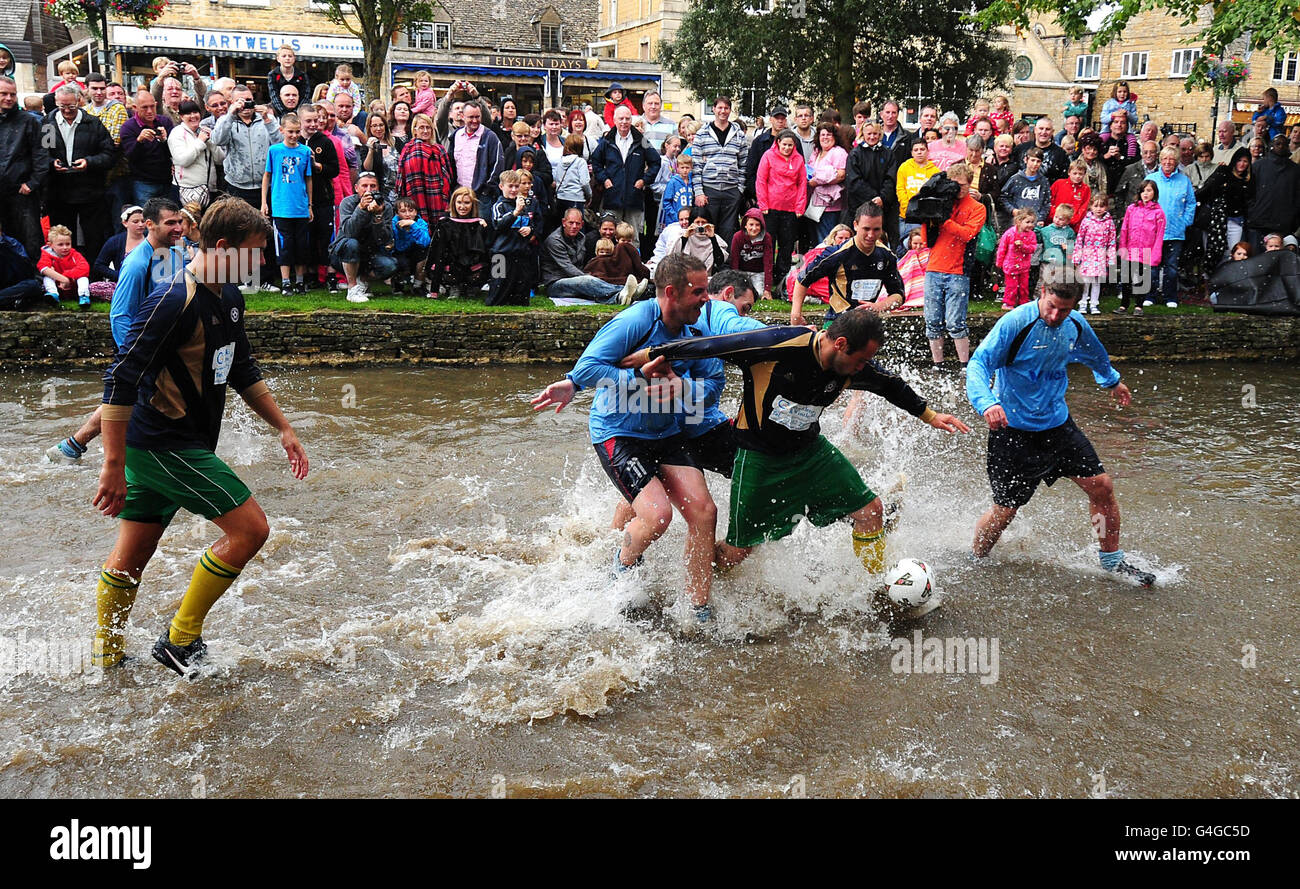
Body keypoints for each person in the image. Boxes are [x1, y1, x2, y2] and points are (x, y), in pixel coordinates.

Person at [89, 197, 308, 674]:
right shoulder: (172, 299)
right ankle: (179, 640)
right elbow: (120, 379)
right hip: (163, 444)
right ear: (225, 247)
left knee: (132, 554)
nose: (262, 262)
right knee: (251, 529)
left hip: (172, 446)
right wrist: (111, 465)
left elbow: (242, 369)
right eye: (255, 252)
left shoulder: (230, 296)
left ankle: (105, 660)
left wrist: (284, 428)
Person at [624, 307, 968, 598]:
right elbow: (712, 345)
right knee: (735, 553)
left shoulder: (850, 368)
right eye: (862, 359)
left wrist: (930, 415)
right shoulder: (777, 346)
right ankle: (683, 575)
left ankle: (877, 586)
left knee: (871, 511)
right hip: (758, 460)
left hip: (811, 453)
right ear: (841, 344)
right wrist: (655, 354)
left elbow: (890, 384)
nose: (865, 367)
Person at [531, 253, 723, 621]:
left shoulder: (700, 330)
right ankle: (621, 567)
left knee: (704, 512)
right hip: (618, 433)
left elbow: (714, 386)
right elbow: (587, 367)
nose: (706, 299)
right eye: (699, 291)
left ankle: (697, 605)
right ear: (671, 292)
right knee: (657, 517)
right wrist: (641, 382)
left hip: (667, 432)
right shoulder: (636, 320)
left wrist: (681, 387)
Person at [966, 271, 1154, 587]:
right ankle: (975, 560)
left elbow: (1095, 354)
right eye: (1052, 306)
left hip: (1057, 426)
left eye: (1064, 310)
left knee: (1101, 486)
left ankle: (1111, 560)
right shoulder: (1016, 323)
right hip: (1012, 431)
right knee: (1005, 511)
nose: (1056, 316)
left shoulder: (1075, 324)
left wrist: (1112, 382)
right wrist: (987, 403)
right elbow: (978, 363)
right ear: (1042, 292)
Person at [46, 198, 185, 462]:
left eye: (179, 221)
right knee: (130, 400)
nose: (178, 227)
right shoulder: (136, 264)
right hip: (140, 347)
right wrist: (133, 356)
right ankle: (86, 450)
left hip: (165, 343)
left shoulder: (176, 254)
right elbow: (120, 314)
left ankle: (75, 447)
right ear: (149, 225)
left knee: (134, 401)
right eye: (170, 223)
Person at [791, 202, 906, 325]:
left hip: (867, 323)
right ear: (856, 225)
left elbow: (898, 295)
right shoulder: (836, 254)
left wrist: (879, 306)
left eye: (876, 229)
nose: (871, 235)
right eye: (866, 229)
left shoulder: (887, 256)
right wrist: (796, 314)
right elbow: (802, 280)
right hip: (837, 322)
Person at [44, 86, 117, 267]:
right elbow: (43, 153)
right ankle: (65, 272)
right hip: (59, 190)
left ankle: (93, 273)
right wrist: (51, 163)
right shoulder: (49, 124)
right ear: (56, 103)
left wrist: (89, 162)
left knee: (93, 235)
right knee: (62, 235)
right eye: (63, 107)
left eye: (71, 106)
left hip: (89, 189)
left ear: (80, 101)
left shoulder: (92, 123)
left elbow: (109, 155)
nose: (67, 111)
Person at [923, 162, 985, 369]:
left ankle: (965, 366)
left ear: (970, 185)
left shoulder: (977, 208)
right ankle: (937, 365)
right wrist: (929, 218)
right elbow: (926, 240)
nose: (958, 190)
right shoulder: (941, 203)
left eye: (962, 186)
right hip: (934, 268)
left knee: (955, 322)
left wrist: (944, 220)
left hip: (959, 270)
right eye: (954, 185)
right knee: (932, 321)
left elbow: (967, 234)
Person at [261, 112, 313, 294]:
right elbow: (267, 176)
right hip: (281, 206)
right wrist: (264, 203)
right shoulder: (274, 151)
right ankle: (285, 281)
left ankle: (299, 281)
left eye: (297, 131)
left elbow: (308, 179)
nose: (294, 135)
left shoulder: (305, 151)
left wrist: (310, 205)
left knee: (302, 246)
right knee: (284, 246)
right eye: (290, 131)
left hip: (300, 206)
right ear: (282, 130)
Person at [592, 104, 661, 236]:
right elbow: (596, 162)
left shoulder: (641, 140)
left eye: (627, 119)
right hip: (612, 196)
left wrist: (644, 180)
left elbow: (656, 161)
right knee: (610, 235)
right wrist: (604, 179)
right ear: (614, 119)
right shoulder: (607, 141)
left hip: (634, 197)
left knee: (633, 237)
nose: (624, 122)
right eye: (621, 118)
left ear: (631, 120)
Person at [0, 76, 47, 263]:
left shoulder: (32, 121)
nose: (8, 98)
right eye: (3, 94)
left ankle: (35, 280)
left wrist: (33, 183)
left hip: (22, 191)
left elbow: (43, 154)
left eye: (12, 94)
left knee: (31, 239)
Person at [689, 96, 748, 244]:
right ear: (714, 109)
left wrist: (739, 189)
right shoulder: (702, 133)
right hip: (709, 190)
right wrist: (699, 192)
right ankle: (709, 262)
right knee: (709, 229)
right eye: (720, 108)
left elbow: (743, 164)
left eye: (726, 108)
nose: (723, 111)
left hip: (731, 190)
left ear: (730, 111)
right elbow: (696, 166)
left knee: (728, 230)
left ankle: (725, 264)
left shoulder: (739, 134)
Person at [1143, 146, 1196, 307]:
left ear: (1177, 162)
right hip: (1153, 232)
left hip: (1175, 232)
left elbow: (1191, 203)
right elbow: (1143, 201)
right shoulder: (1152, 179)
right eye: (1165, 158)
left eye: (1172, 159)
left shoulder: (1184, 180)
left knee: (1171, 267)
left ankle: (1170, 297)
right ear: (1160, 160)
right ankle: (1149, 296)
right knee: (1152, 266)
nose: (1168, 162)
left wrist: (1185, 221)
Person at [330, 172, 395, 303]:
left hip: (370, 253)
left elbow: (384, 240)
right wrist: (361, 209)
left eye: (373, 186)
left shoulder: (385, 206)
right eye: (364, 186)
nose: (369, 190)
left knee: (391, 266)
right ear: (356, 188)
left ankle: (362, 280)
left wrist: (378, 216)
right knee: (352, 243)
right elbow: (349, 232)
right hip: (343, 254)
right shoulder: (348, 203)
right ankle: (352, 289)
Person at [756, 129, 807, 287]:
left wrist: (800, 207)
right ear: (778, 143)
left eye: (790, 145)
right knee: (770, 244)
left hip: (790, 209)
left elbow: (802, 184)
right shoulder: (768, 156)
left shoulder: (798, 159)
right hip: (770, 208)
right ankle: (767, 280)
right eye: (784, 144)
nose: (787, 148)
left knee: (787, 245)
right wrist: (763, 203)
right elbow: (761, 180)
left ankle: (782, 281)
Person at [541, 206, 625, 304]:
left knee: (593, 287)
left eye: (577, 223)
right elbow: (568, 268)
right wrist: (588, 277)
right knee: (587, 282)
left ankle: (618, 297)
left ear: (582, 225)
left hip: (576, 280)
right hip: (556, 283)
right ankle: (623, 290)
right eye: (571, 223)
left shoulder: (582, 238)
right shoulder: (555, 241)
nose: (574, 226)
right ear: (564, 222)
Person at [486, 169, 539, 305]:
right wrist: (515, 212)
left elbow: (532, 223)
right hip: (501, 253)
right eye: (510, 186)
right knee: (497, 290)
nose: (514, 190)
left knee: (522, 292)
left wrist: (530, 229)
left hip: (521, 252)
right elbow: (498, 224)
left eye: (516, 186)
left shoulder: (524, 205)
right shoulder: (499, 206)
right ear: (501, 186)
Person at [426, 186, 489, 300]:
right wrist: (434, 291)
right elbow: (438, 253)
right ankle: (454, 287)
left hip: (473, 269)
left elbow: (484, 252)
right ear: (453, 203)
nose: (462, 207)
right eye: (459, 202)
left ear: (472, 204)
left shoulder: (480, 224)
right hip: (452, 269)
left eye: (467, 203)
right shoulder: (445, 224)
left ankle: (473, 287)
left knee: (497, 257)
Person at [1197, 147, 1254, 265]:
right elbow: (1207, 190)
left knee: (1231, 253)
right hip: (1216, 219)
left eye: (1245, 161)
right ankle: (1210, 278)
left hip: (1236, 220)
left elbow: (1249, 200)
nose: (1242, 164)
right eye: (1239, 160)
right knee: (1212, 251)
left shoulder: (1249, 179)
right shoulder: (1223, 171)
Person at [1245, 135, 1300, 255]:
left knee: (1279, 263)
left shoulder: (1295, 170)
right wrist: (1253, 211)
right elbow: (1248, 193)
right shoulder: (1258, 166)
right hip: (1258, 221)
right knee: (1255, 259)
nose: (1281, 147)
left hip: (1283, 225)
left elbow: (1297, 197)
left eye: (1284, 144)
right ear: (1271, 146)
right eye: (1277, 144)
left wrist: (1293, 218)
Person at [1116, 180, 1164, 315]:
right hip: (1130, 249)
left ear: (1154, 193)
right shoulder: (1132, 208)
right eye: (1143, 191)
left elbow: (1159, 235)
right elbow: (1125, 228)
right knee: (1126, 279)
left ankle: (1139, 305)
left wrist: (1155, 254)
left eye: (1149, 191)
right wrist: (1123, 247)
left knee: (1141, 279)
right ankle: (1124, 304)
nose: (1146, 194)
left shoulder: (1158, 213)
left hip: (1146, 251)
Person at [397, 113, 453, 227]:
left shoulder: (439, 149)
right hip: (416, 195)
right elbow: (403, 177)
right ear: (415, 130)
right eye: (422, 127)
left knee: (439, 228)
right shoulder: (408, 149)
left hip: (436, 196)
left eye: (428, 127)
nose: (426, 131)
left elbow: (448, 175)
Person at [168, 99, 222, 207]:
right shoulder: (177, 133)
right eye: (188, 113)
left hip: (209, 189)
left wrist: (211, 141)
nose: (193, 116)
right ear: (182, 116)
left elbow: (220, 159)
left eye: (195, 112)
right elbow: (183, 160)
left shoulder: (204, 131)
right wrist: (200, 142)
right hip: (186, 190)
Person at [447, 101, 503, 202]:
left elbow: (497, 165)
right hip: (459, 195)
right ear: (463, 116)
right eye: (471, 117)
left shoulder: (490, 137)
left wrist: (486, 190)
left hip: (482, 197)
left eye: (477, 117)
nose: (474, 120)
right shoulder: (456, 136)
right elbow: (450, 163)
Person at [1072, 193, 1117, 314]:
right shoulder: (1086, 221)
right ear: (1091, 207)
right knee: (1085, 282)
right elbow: (1079, 239)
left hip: (1101, 256)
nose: (1099, 209)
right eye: (1096, 206)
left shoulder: (1109, 222)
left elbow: (1111, 241)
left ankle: (1094, 304)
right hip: (1087, 255)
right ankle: (1082, 303)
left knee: (1097, 282)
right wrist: (1077, 256)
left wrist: (1111, 258)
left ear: (1106, 207)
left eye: (1102, 206)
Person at [842, 121, 891, 230]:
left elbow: (890, 178)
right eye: (869, 134)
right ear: (863, 134)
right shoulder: (855, 154)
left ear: (880, 134)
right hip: (859, 205)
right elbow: (853, 181)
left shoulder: (888, 153)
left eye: (875, 133)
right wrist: (873, 197)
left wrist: (882, 197)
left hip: (882, 205)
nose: (872, 137)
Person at [91, 205, 147, 300]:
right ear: (125, 223)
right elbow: (99, 265)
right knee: (93, 287)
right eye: (135, 222)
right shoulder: (115, 241)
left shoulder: (152, 239)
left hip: (146, 283)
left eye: (143, 221)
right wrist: (119, 276)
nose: (140, 225)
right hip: (123, 283)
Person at [895, 138, 940, 250]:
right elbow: (900, 189)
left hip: (924, 218)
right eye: (916, 150)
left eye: (922, 149)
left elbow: (935, 195)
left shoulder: (935, 171)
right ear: (911, 152)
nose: (919, 152)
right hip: (906, 216)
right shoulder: (904, 167)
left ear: (927, 151)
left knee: (922, 246)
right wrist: (908, 208)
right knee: (906, 245)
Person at [807, 123, 848, 240]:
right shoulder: (816, 152)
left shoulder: (839, 152)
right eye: (822, 134)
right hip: (815, 205)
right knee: (817, 238)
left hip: (831, 206)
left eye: (828, 135)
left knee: (828, 237)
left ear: (835, 137)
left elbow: (841, 175)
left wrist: (818, 181)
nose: (825, 137)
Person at [38, 224, 90, 308]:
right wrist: (63, 279)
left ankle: (84, 296)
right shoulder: (46, 254)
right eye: (60, 244)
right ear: (50, 245)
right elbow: (43, 268)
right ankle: (52, 294)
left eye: (68, 244)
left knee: (83, 278)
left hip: (73, 286)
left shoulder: (75, 254)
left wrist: (66, 276)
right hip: (58, 286)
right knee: (47, 277)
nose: (65, 247)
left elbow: (85, 268)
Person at [997, 208, 1039, 310]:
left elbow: (1032, 249)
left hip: (1024, 266)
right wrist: (999, 262)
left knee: (1024, 286)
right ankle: (1008, 303)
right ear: (1019, 221)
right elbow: (1002, 248)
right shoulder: (1009, 233)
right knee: (1011, 286)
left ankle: (1023, 302)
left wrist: (1023, 246)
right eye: (1027, 222)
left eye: (1032, 222)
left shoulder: (1032, 235)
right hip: (1010, 265)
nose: (1030, 225)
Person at [1000, 147, 1051, 227]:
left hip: (1035, 223)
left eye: (1038, 161)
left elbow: (1046, 203)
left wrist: (1041, 218)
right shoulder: (1015, 179)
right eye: (1032, 160)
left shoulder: (1043, 181)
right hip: (1017, 223)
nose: (1035, 164)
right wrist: (1013, 210)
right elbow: (1004, 197)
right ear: (1026, 160)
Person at [729, 208, 774, 299]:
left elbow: (768, 263)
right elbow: (734, 261)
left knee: (759, 294)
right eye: (751, 224)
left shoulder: (766, 238)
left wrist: (767, 289)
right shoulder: (738, 237)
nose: (754, 228)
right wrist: (735, 282)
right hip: (742, 272)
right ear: (745, 225)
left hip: (758, 273)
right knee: (740, 293)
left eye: (757, 225)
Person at [0, 217, 43, 309]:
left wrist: (4, 249)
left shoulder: (12, 243)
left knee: (34, 285)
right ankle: (9, 303)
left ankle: (6, 301)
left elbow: (26, 272)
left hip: (12, 286)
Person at [1013, 116, 1071, 182]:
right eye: (1041, 128)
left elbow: (1064, 181)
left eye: (1047, 129)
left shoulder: (1060, 154)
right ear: (1035, 130)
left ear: (1052, 132)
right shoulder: (1020, 149)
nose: (1043, 132)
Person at [361, 112, 401, 204]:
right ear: (369, 128)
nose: (378, 129)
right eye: (374, 126)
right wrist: (371, 150)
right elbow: (367, 168)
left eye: (381, 125)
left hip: (399, 189)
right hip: (382, 192)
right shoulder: (366, 146)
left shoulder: (397, 142)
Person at [553, 132, 592, 218]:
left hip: (561, 198)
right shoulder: (580, 162)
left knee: (563, 225)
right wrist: (589, 195)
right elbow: (584, 182)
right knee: (576, 225)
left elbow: (556, 179)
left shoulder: (560, 161)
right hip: (576, 198)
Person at [1050, 159, 1092, 231]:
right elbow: (1050, 201)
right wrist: (1057, 217)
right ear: (1069, 172)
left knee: (1069, 242)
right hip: (1054, 223)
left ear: (1084, 174)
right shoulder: (1059, 183)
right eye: (1075, 173)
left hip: (1073, 227)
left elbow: (1083, 208)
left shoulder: (1086, 189)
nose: (1077, 176)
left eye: (1080, 174)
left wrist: (1071, 220)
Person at [897, 227, 929, 308]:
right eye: (915, 243)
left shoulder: (929, 253)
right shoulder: (907, 255)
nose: (918, 247)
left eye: (921, 243)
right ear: (910, 243)